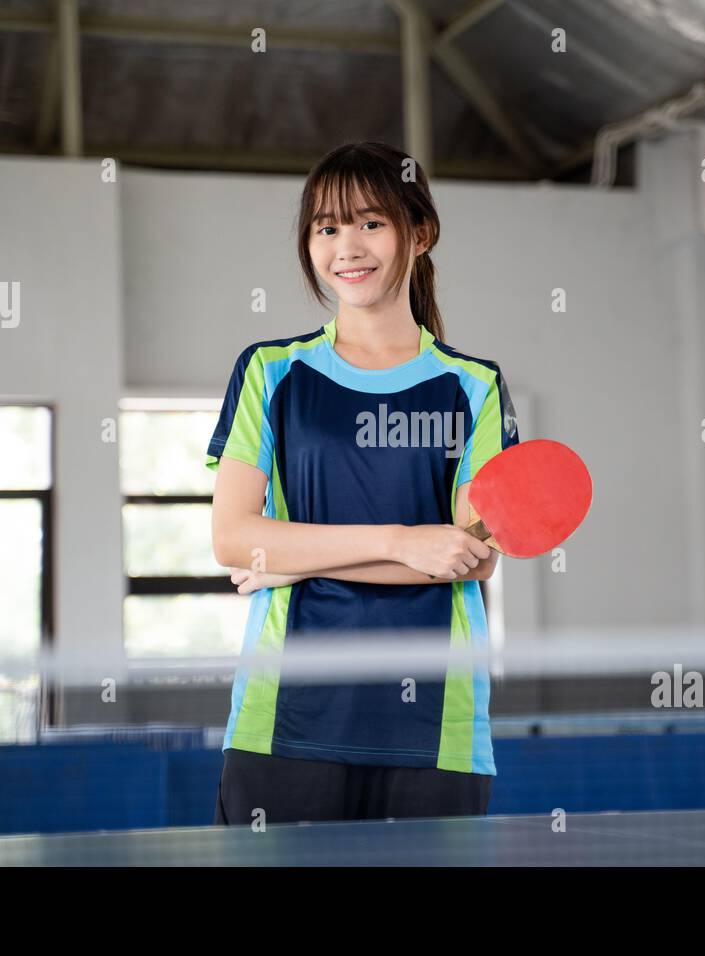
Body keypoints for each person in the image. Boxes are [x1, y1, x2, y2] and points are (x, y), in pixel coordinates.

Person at [206, 141, 520, 826]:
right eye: (327, 227)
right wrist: (400, 541)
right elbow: (233, 540)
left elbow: (469, 556)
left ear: (420, 232)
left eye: (371, 222)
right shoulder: (270, 372)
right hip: (283, 716)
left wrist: (295, 560)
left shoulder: (475, 386)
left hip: (438, 727)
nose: (347, 246)